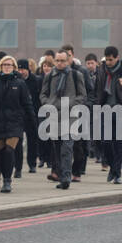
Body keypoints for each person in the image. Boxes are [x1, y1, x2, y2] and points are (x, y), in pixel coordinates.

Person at [0, 55, 32, 193]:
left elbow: (27, 105)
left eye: (10, 65)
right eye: (4, 65)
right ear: (0, 67)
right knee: (0, 153)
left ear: (14, 67)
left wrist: (32, 123)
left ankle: (7, 181)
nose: (7, 67)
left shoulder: (20, 84)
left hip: (15, 124)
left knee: (9, 151)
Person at [93, 46, 122, 184]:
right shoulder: (101, 70)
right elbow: (97, 90)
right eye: (106, 60)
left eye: (111, 60)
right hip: (105, 111)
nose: (108, 62)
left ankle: (117, 174)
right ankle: (113, 169)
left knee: (119, 145)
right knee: (106, 142)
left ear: (117, 58)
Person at [40, 50, 86, 189]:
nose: (60, 63)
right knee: (57, 149)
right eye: (57, 61)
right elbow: (43, 94)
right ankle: (61, 175)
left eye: (63, 61)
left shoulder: (75, 75)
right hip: (53, 117)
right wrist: (48, 104)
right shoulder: (49, 76)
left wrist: (71, 105)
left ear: (68, 61)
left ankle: (66, 178)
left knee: (67, 148)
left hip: (70, 117)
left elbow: (82, 95)